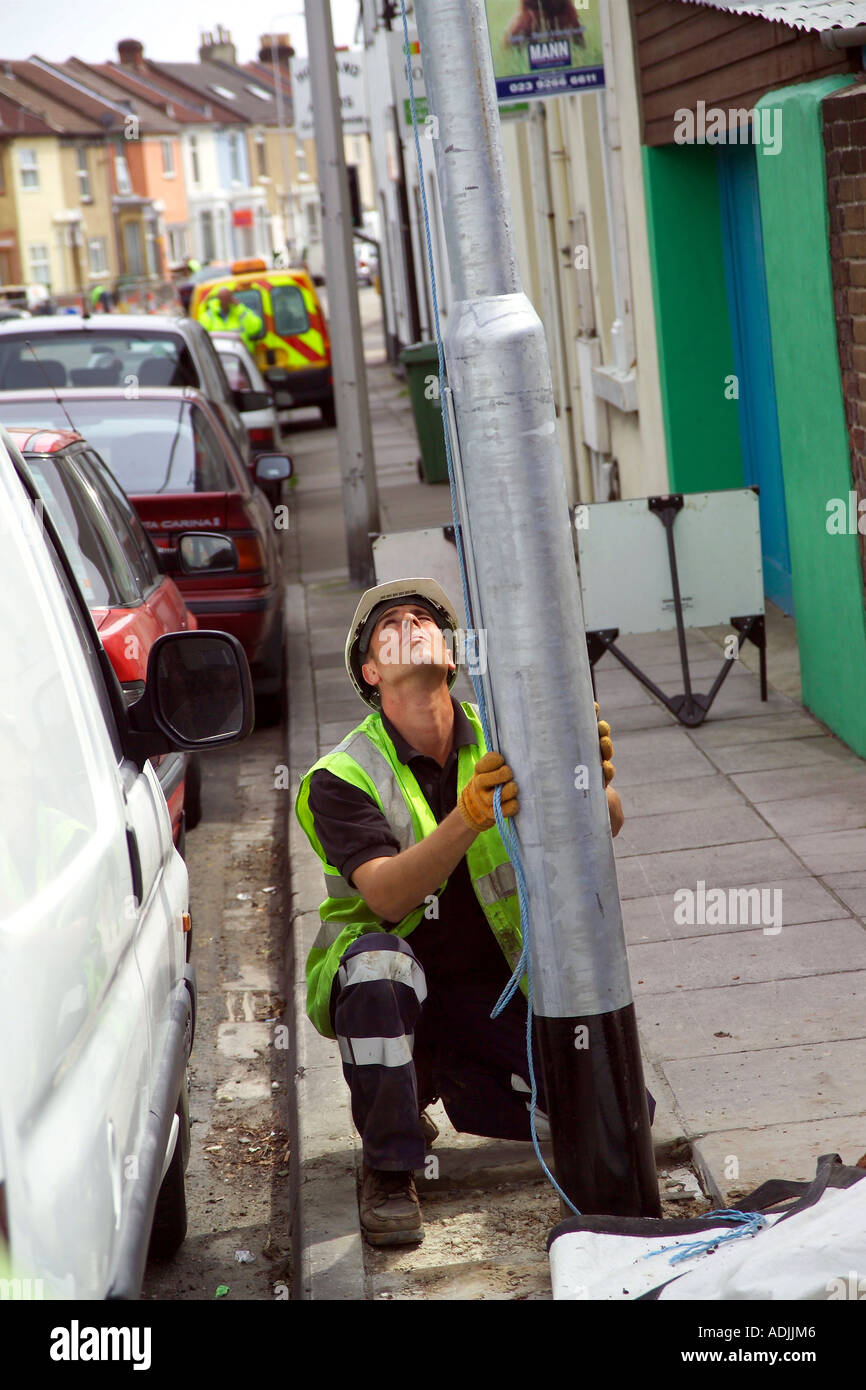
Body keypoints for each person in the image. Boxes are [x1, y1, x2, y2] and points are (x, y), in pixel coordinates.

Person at [295, 578, 627, 1247]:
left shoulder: (503, 735)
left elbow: (606, 832)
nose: (414, 624)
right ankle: (390, 1165)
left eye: (427, 619)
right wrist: (470, 816)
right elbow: (386, 894)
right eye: (392, 623)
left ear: (450, 657)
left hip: (491, 996)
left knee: (616, 1116)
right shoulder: (341, 775)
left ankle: (457, 1091)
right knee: (375, 969)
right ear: (370, 670)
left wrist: (595, 786)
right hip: (398, 992)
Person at [197, 285, 263, 352]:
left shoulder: (241, 312)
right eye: (223, 298)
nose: (225, 301)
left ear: (231, 299)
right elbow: (201, 339)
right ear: (218, 299)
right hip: (218, 356)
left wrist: (239, 308)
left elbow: (255, 329)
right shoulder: (208, 317)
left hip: (241, 355)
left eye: (227, 298)